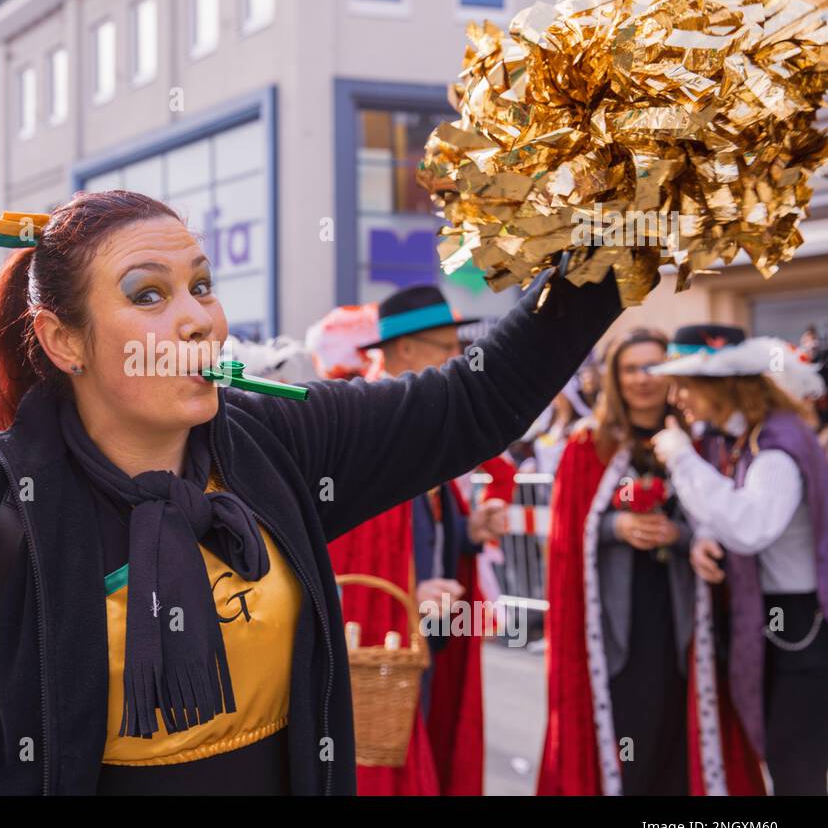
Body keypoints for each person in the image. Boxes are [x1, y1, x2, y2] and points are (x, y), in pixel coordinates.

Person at [0, 189, 624, 795]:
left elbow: (479, 399)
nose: (198, 317)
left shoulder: (278, 439)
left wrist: (617, 229)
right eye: (149, 293)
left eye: (201, 283)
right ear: (63, 340)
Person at [538, 328, 763, 796]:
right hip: (614, 625)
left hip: (682, 616)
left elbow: (721, 522)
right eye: (630, 369)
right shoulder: (588, 445)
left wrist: (678, 534)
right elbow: (565, 536)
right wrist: (617, 527)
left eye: (653, 367)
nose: (642, 379)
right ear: (614, 379)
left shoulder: (699, 443)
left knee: (675, 733)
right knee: (628, 729)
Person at [327, 284, 507, 795]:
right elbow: (351, 551)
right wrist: (406, 596)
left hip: (426, 635)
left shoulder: (421, 419)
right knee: (386, 763)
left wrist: (467, 533)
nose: (457, 358)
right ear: (405, 349)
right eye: (447, 347)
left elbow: (420, 526)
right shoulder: (361, 419)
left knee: (426, 743)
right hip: (385, 634)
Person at [650, 336, 828, 795]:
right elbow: (740, 516)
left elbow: (751, 525)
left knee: (797, 772)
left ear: (724, 385)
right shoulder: (755, 436)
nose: (676, 399)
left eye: (684, 384)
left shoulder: (775, 446)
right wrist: (706, 540)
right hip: (786, 625)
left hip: (799, 628)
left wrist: (682, 458)